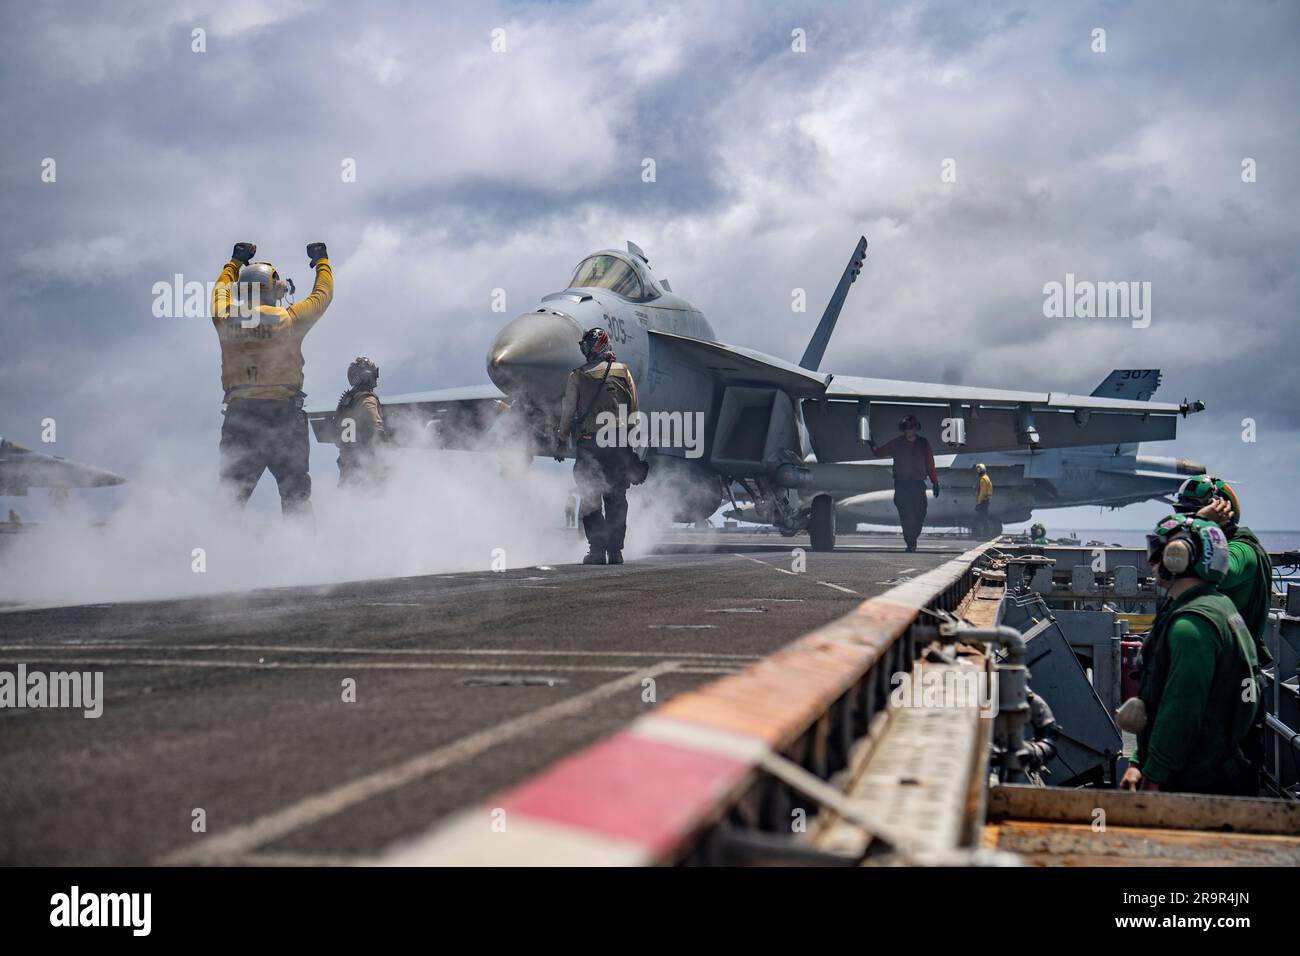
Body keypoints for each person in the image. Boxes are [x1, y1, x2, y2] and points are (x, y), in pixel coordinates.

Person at [1119, 515, 1261, 795]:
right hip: (1215, 772)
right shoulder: (1219, 605)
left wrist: (1154, 777)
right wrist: (1139, 761)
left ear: (1177, 557)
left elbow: (1180, 712)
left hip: (1196, 783)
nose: (1151, 562)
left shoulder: (1191, 627)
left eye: (1156, 551)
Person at [212, 241, 332, 517]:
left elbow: (219, 292)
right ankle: (299, 554)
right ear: (273, 287)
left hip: (241, 417)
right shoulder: (290, 319)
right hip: (284, 416)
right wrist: (321, 261)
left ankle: (217, 551)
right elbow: (323, 294)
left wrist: (235, 261)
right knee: (296, 497)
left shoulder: (224, 317)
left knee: (231, 497)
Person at [555, 327, 639, 565]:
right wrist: (630, 444)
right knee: (616, 499)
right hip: (618, 445)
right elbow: (634, 410)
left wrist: (561, 440)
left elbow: (568, 413)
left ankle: (597, 551)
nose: (584, 351)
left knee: (591, 497)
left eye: (586, 346)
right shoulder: (623, 372)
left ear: (594, 346)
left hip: (590, 445)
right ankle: (615, 552)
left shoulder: (577, 376)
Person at [1174, 476, 1274, 666]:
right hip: (1212, 659)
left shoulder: (1244, 550)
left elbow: (1220, 570)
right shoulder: (1210, 548)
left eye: (1192, 515)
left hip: (1230, 668)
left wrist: (1203, 525)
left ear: (1221, 510)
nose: (1187, 523)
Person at [869, 414, 939, 552]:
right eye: (906, 428)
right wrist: (872, 444)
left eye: (910, 428)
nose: (908, 431)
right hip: (902, 485)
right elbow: (879, 453)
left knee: (920, 514)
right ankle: (910, 543)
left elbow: (930, 464)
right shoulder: (897, 443)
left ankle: (912, 538)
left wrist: (935, 482)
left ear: (915, 429)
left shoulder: (923, 443)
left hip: (918, 485)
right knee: (906, 516)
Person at [334, 356, 390, 488]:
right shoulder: (366, 399)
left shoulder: (346, 401)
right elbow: (377, 430)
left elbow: (337, 438)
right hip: (366, 468)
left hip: (346, 467)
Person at [973, 463, 993, 537]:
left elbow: (982, 492)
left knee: (983, 519)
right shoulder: (986, 478)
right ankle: (986, 535)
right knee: (984, 519)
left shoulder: (983, 479)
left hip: (983, 502)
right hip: (985, 501)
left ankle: (985, 535)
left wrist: (978, 502)